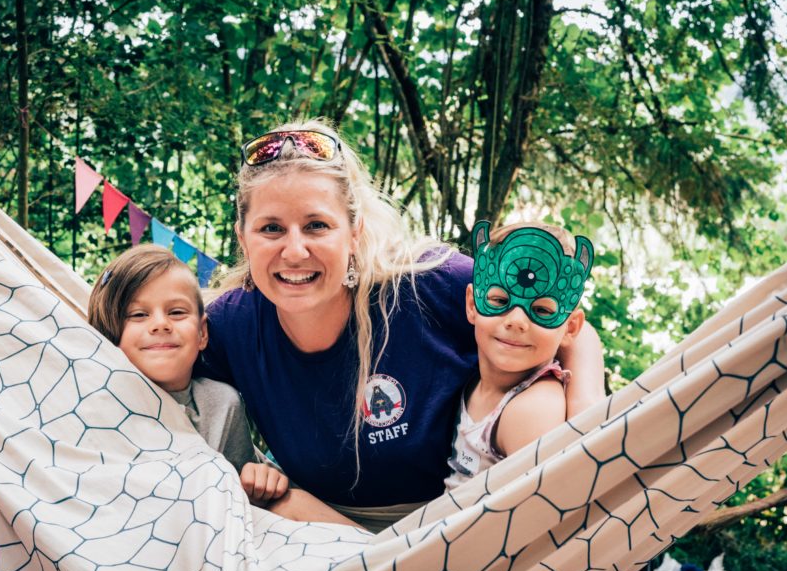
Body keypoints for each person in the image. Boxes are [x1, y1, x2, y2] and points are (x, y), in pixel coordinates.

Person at [200, 119, 605, 531]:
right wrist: (245, 467)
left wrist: (589, 413)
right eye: (271, 229)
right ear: (243, 238)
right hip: (327, 530)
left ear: (354, 232)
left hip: (453, 527)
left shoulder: (423, 283)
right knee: (279, 502)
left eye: (316, 225)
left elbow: (567, 327)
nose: (295, 250)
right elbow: (162, 377)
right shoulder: (231, 324)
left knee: (544, 397)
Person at [87, 244, 289, 506]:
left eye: (176, 312)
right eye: (138, 315)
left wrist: (261, 480)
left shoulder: (221, 403)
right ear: (109, 336)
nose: (161, 324)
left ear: (202, 333)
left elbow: (244, 483)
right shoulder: (99, 404)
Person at [445, 222, 592, 490]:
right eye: (500, 301)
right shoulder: (474, 378)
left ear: (570, 328)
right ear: (472, 305)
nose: (517, 321)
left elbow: (536, 506)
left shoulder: (535, 408)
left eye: (542, 311)